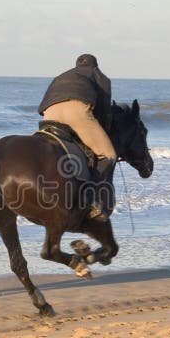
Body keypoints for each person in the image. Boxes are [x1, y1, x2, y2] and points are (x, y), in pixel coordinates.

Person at [38, 54, 116, 221]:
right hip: (76, 111)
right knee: (109, 155)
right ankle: (91, 199)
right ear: (95, 65)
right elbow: (104, 111)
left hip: (49, 113)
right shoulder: (99, 76)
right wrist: (104, 132)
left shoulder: (62, 75)